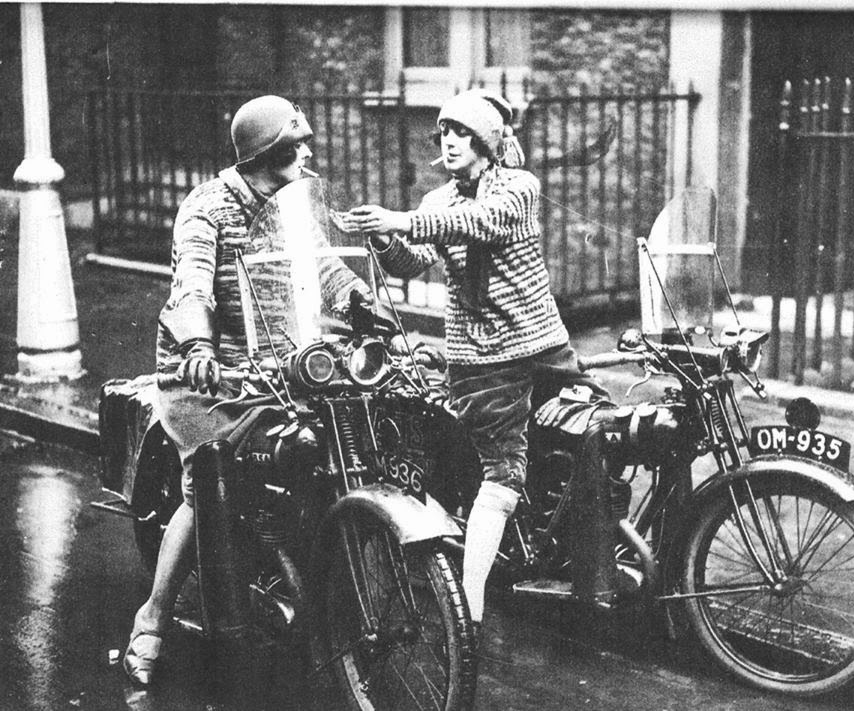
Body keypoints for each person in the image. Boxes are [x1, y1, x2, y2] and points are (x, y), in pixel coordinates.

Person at [123, 95, 370, 685]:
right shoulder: (206, 207)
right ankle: (152, 617)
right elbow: (190, 286)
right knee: (206, 485)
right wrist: (199, 349)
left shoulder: (290, 198)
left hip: (285, 362)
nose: (308, 152)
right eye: (296, 144)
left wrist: (360, 300)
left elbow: (324, 265)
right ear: (266, 152)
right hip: (214, 376)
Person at [345, 89, 606, 634]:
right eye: (444, 133)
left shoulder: (520, 189)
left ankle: (583, 567)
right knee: (505, 473)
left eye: (461, 133)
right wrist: (385, 239)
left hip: (544, 346)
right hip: (483, 359)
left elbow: (483, 222)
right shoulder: (438, 202)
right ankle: (469, 608)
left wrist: (400, 218)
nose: (449, 141)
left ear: (487, 142)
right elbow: (415, 263)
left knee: (595, 433)